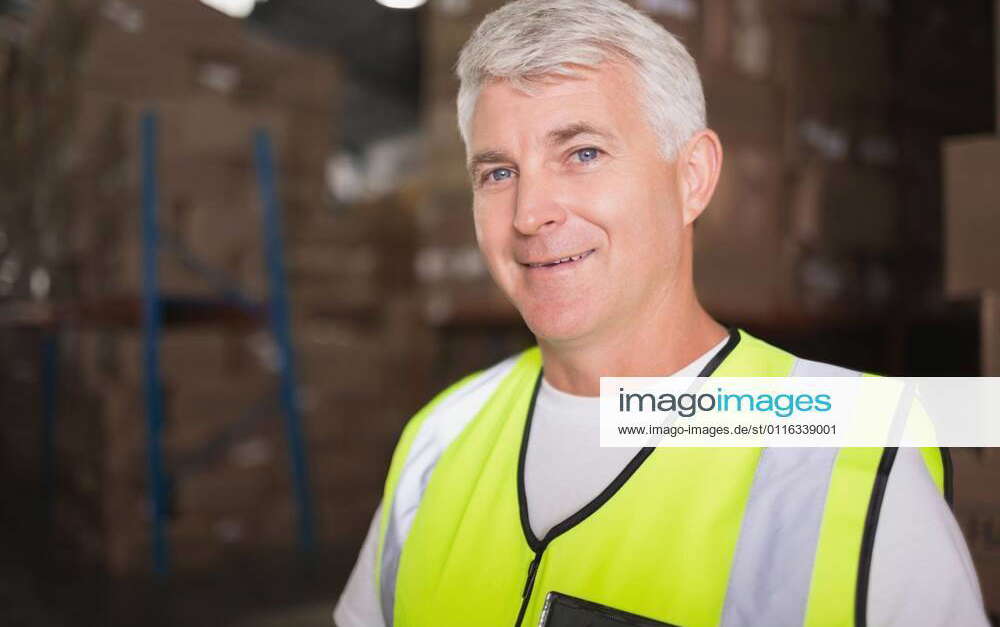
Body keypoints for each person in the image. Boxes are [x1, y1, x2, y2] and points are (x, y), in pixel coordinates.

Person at [334, 1, 989, 625]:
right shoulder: (439, 439)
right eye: (498, 172)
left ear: (693, 177)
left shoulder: (849, 452)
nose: (530, 212)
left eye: (582, 153)